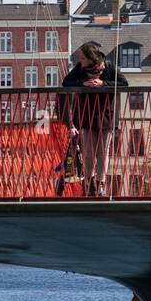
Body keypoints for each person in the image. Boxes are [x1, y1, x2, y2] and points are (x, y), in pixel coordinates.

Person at [58, 41, 128, 197]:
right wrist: (82, 83)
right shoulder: (80, 69)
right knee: (89, 152)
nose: (80, 61)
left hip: (106, 115)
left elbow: (124, 84)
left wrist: (103, 83)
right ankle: (89, 183)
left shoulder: (108, 67)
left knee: (103, 152)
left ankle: (100, 183)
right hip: (87, 114)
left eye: (82, 58)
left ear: (91, 58)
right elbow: (66, 82)